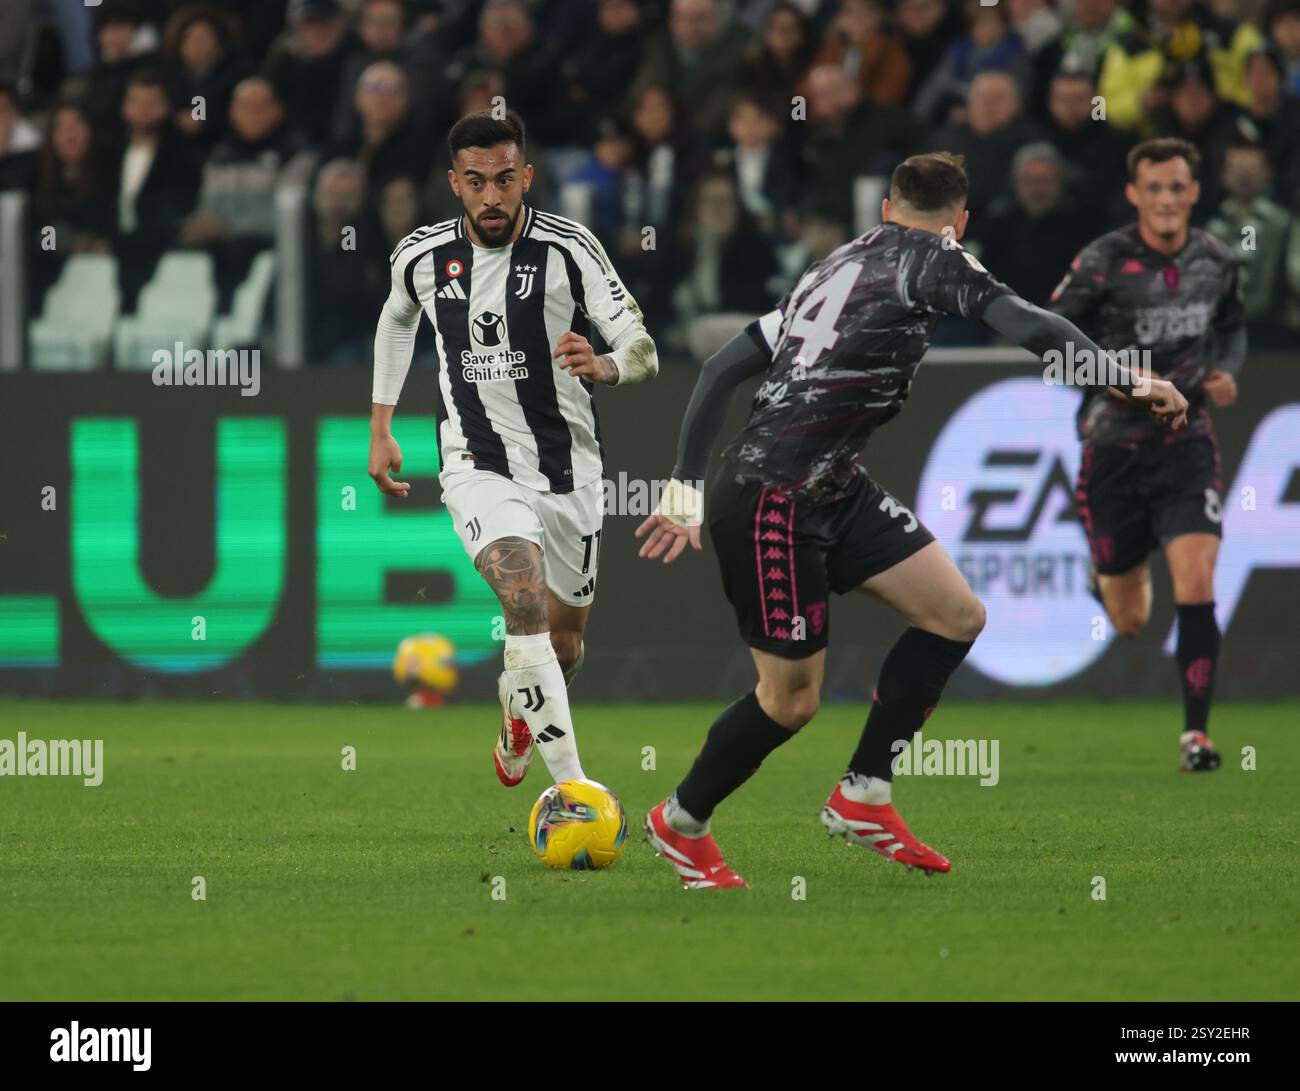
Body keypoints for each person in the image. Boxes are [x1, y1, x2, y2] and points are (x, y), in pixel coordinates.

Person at [634, 151, 1188, 889]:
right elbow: (1026, 323)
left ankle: (864, 794)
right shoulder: (937, 258)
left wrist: (682, 485)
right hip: (773, 494)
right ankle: (680, 821)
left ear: (887, 209)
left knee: (956, 615)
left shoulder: (833, 265)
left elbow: (718, 369)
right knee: (790, 700)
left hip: (834, 485)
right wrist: (1125, 380)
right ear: (960, 221)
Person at [368, 111, 658, 789]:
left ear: (526, 176)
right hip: (476, 463)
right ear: (455, 183)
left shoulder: (570, 249)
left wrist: (607, 364)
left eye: (504, 179)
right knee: (522, 599)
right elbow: (396, 318)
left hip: (569, 470)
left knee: (564, 644)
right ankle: (574, 789)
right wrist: (381, 426)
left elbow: (641, 346)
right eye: (476, 182)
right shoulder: (421, 256)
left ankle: (518, 709)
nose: (491, 196)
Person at [1049, 137, 1246, 773]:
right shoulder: (1103, 260)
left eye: (1177, 188)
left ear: (1194, 193)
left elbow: (1232, 327)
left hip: (1186, 445)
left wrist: (1227, 370)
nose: (1166, 199)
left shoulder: (1217, 259)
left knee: (1197, 580)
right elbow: (1052, 347)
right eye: (1154, 188)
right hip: (1112, 447)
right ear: (1134, 194)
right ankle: (1105, 575)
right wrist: (1123, 382)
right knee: (1130, 618)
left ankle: (1196, 736)